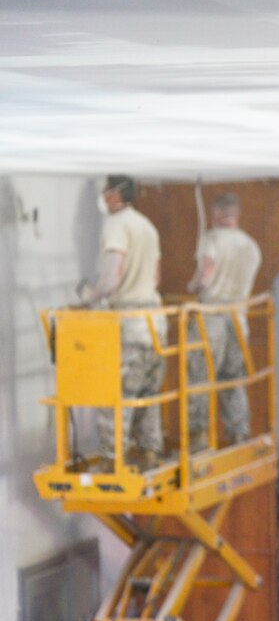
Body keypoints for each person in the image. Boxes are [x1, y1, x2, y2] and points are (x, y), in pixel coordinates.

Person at [77, 175, 166, 472]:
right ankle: (150, 451)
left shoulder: (116, 226)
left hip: (130, 323)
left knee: (116, 394)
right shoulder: (147, 226)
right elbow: (156, 278)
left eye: (105, 191)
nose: (103, 196)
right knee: (148, 393)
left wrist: (92, 294)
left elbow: (113, 275)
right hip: (155, 321)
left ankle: (111, 460)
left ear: (115, 195)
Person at [185, 192, 262, 449]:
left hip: (211, 317)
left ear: (217, 213)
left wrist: (192, 286)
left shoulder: (212, 239)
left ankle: (199, 436)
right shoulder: (251, 246)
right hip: (238, 319)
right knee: (233, 378)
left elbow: (205, 275)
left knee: (200, 375)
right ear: (237, 214)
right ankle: (238, 432)